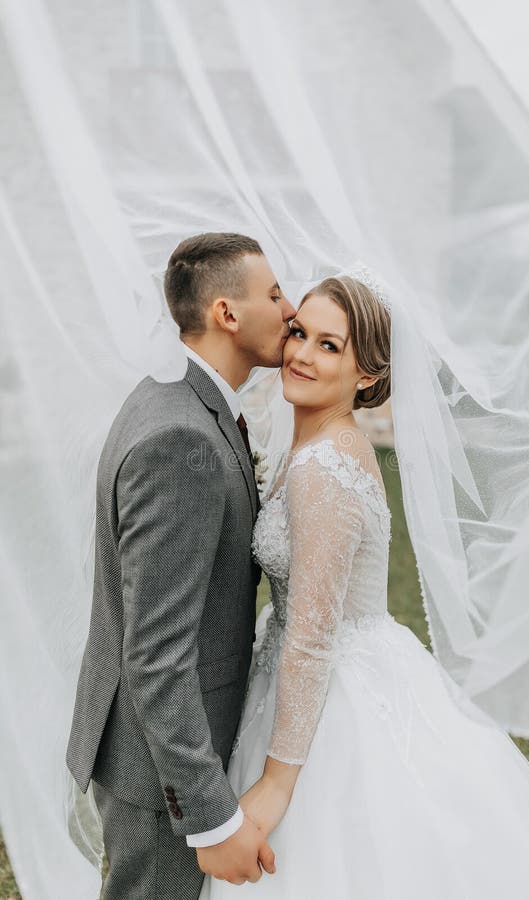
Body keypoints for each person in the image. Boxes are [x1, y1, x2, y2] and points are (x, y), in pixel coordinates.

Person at [201, 275, 529, 898]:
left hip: (334, 692)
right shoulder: (316, 445)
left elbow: (310, 636)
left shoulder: (326, 469)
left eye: (331, 346)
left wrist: (278, 783)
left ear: (367, 375)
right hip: (308, 668)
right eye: (300, 333)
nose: (302, 353)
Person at [66, 232, 296, 900]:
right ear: (227, 313)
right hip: (159, 772)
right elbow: (157, 653)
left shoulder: (173, 401)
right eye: (275, 294)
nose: (291, 310)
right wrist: (209, 817)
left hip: (151, 751)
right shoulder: (184, 441)